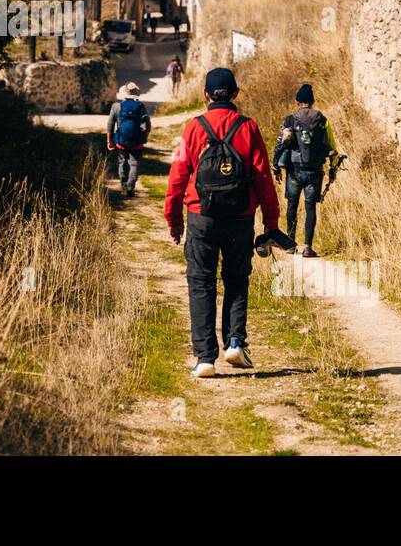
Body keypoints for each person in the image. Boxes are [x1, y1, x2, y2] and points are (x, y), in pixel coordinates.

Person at [165, 67, 280, 377]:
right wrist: (270, 221)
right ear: (235, 94)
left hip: (201, 216)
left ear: (205, 95)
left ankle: (204, 358)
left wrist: (174, 218)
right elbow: (262, 177)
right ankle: (234, 343)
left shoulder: (193, 128)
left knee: (200, 282)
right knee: (236, 278)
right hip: (240, 217)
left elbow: (178, 176)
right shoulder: (249, 128)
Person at [272, 83, 342, 258]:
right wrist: (333, 171)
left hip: (294, 172)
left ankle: (289, 244)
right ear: (312, 102)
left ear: (297, 102)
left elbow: (280, 144)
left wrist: (276, 167)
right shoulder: (322, 120)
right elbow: (331, 146)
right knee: (310, 209)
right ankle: (308, 247)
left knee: (292, 205)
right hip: (314, 172)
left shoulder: (290, 120)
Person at [107, 81, 150, 198]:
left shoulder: (116, 106)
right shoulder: (141, 107)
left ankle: (124, 185)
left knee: (122, 162)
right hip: (137, 141)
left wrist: (109, 141)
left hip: (121, 141)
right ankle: (131, 186)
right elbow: (147, 123)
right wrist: (145, 136)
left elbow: (110, 125)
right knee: (134, 164)